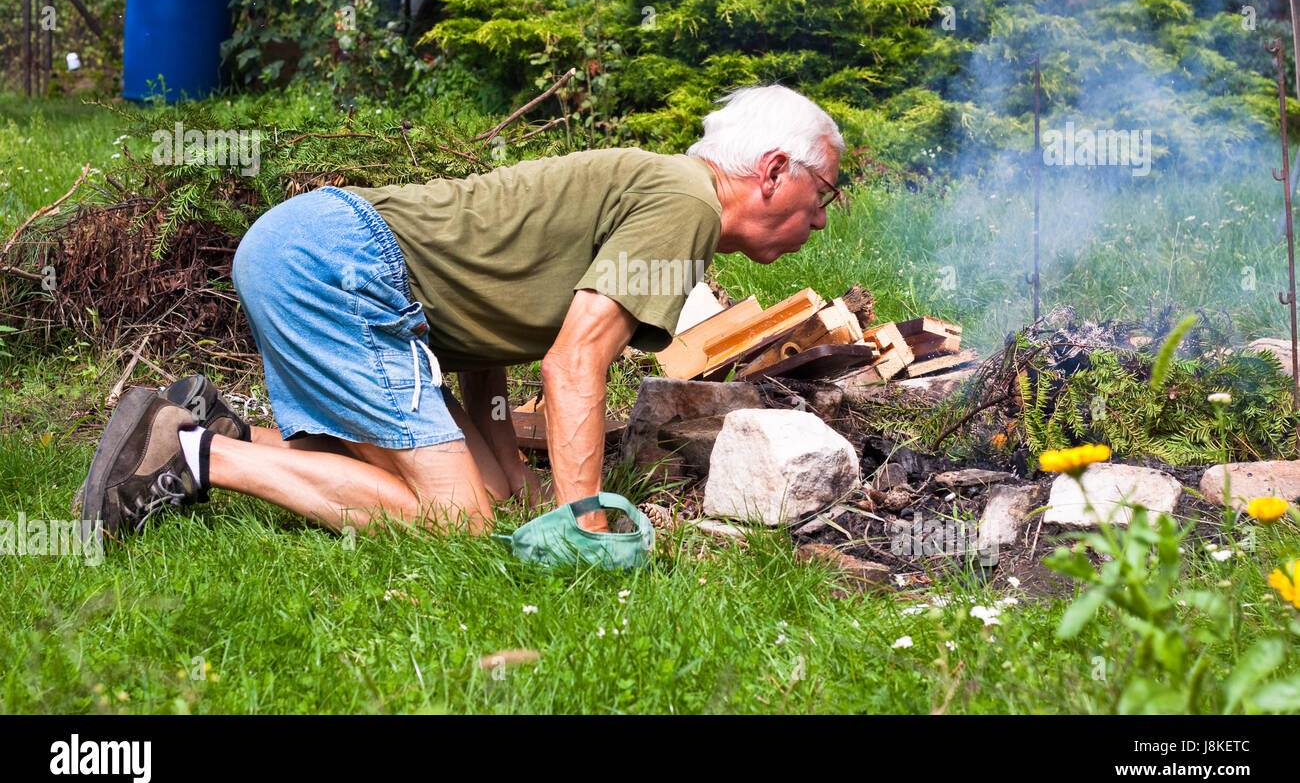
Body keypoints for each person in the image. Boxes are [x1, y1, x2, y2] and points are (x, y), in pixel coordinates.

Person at [73, 84, 846, 542]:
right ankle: (193, 453)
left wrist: (513, 474)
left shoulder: (659, 191)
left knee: (488, 496)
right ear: (775, 171)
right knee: (460, 522)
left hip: (312, 246)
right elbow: (573, 364)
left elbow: (495, 332)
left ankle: (226, 427)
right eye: (826, 194)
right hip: (339, 264)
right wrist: (586, 525)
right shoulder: (685, 204)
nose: (822, 220)